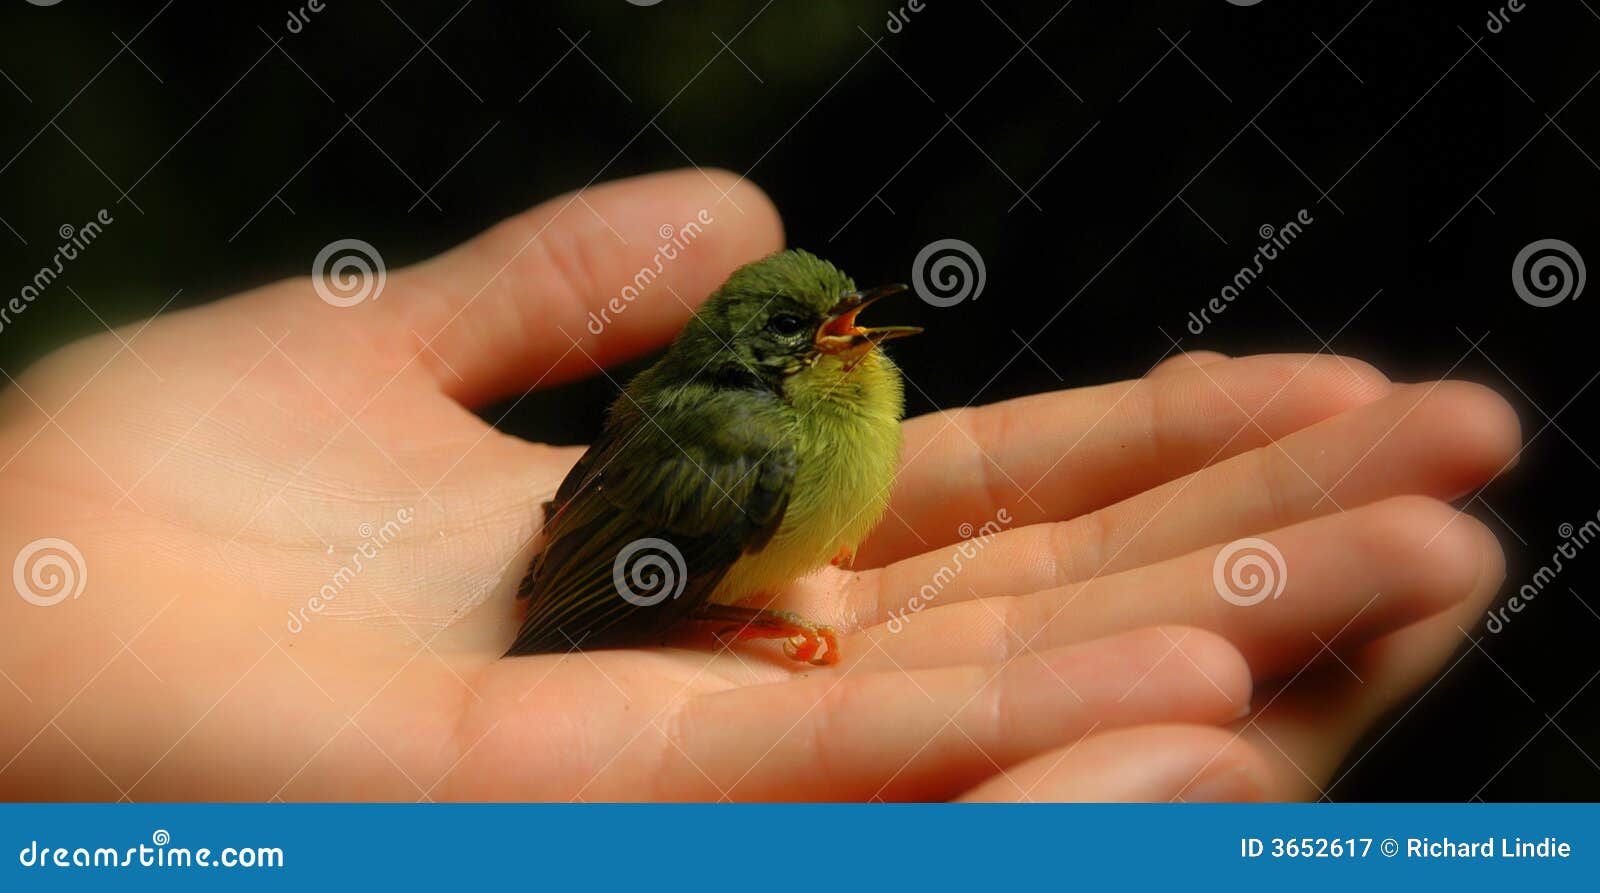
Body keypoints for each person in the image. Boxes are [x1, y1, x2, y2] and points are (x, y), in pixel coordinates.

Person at [0, 169, 1517, 801]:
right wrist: (574, 622)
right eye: (813, 328)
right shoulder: (752, 446)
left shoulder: (847, 398)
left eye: (848, 315)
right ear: (770, 355)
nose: (848, 334)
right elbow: (618, 553)